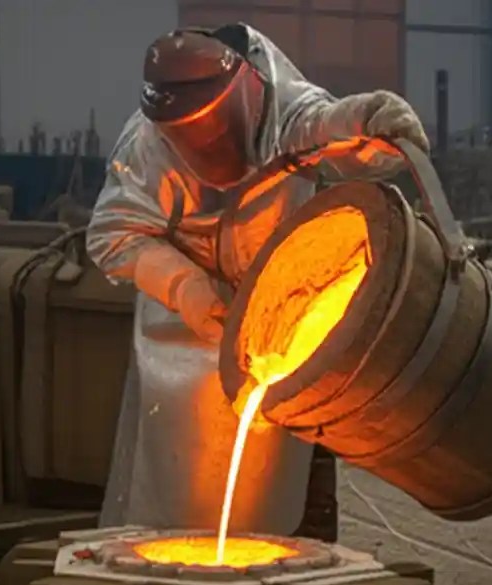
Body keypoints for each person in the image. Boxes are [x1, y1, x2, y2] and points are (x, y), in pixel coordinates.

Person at [88, 23, 429, 542]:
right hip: (180, 332)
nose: (204, 146)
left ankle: (292, 547)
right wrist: (184, 287)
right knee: (165, 481)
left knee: (281, 465)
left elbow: (329, 129)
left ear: (244, 95)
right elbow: (112, 234)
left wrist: (368, 119)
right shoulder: (146, 149)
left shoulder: (280, 108)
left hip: (275, 320)